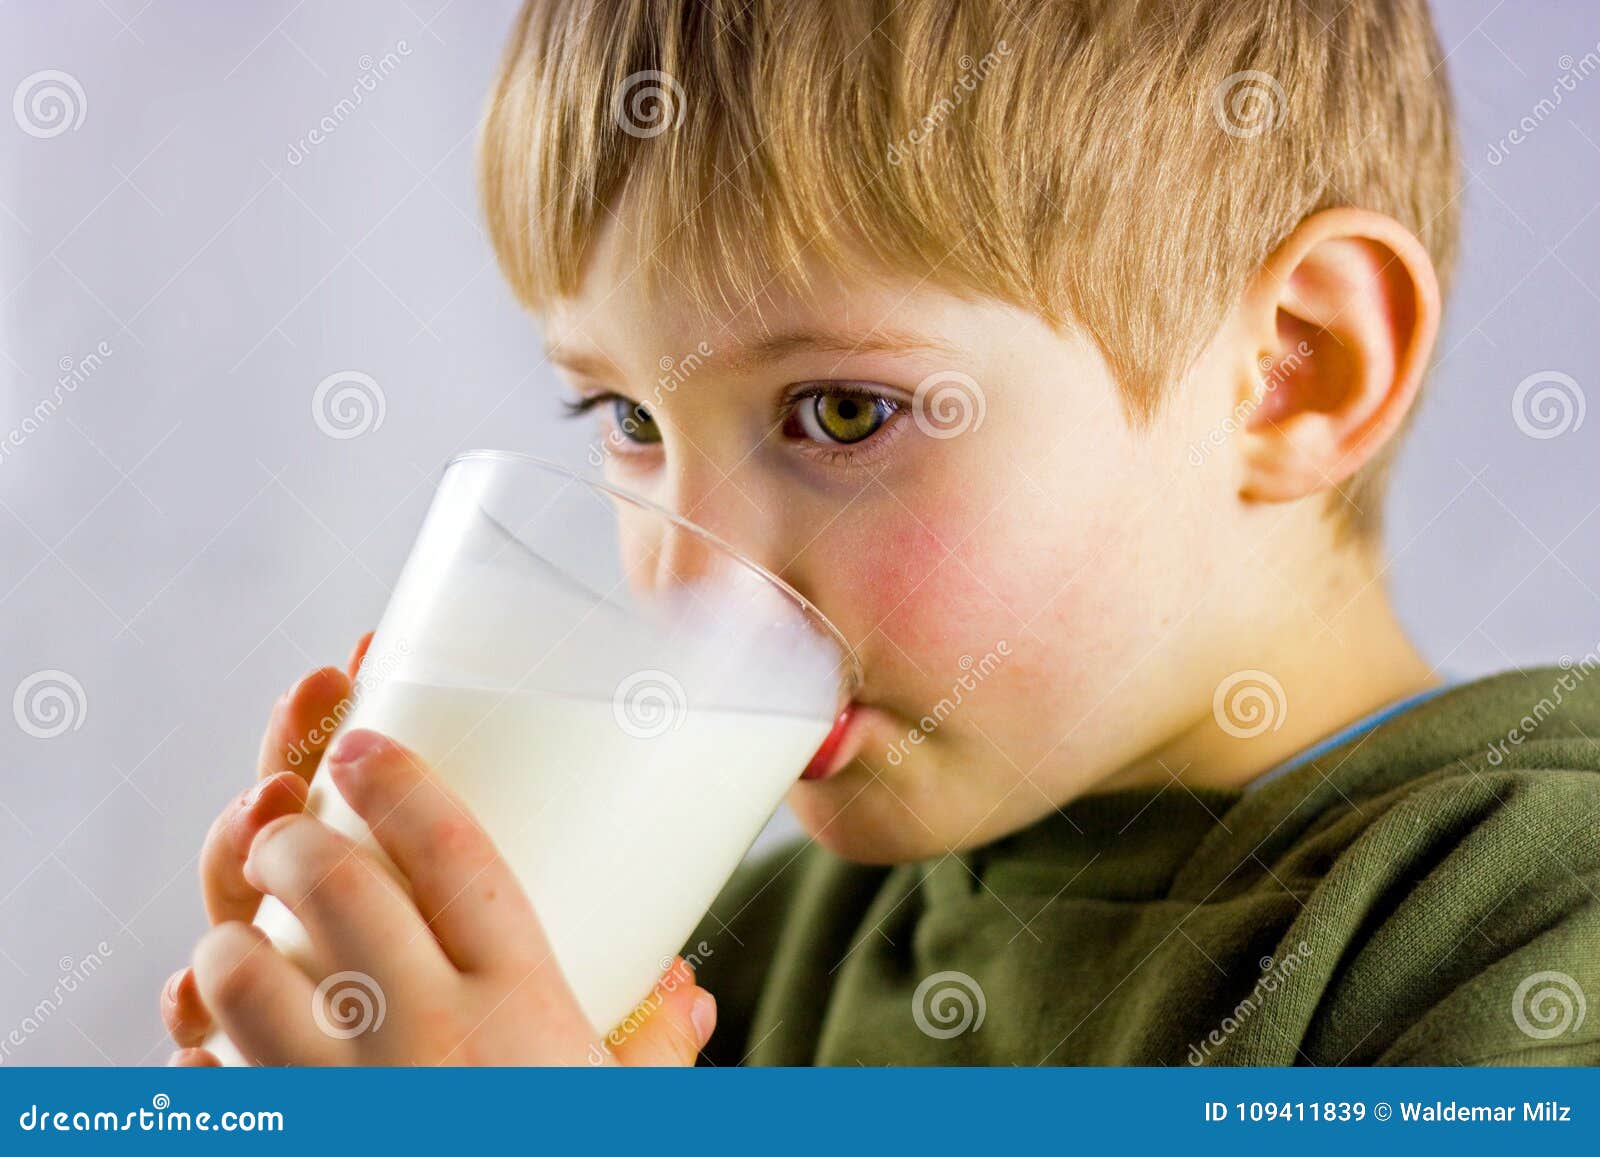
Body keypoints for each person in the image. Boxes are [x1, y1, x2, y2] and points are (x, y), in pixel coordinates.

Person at [161, 0, 1600, 1065]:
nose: (680, 576)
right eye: (626, 418)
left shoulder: (1525, 918)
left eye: (840, 414)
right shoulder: (711, 965)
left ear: (1294, 370)